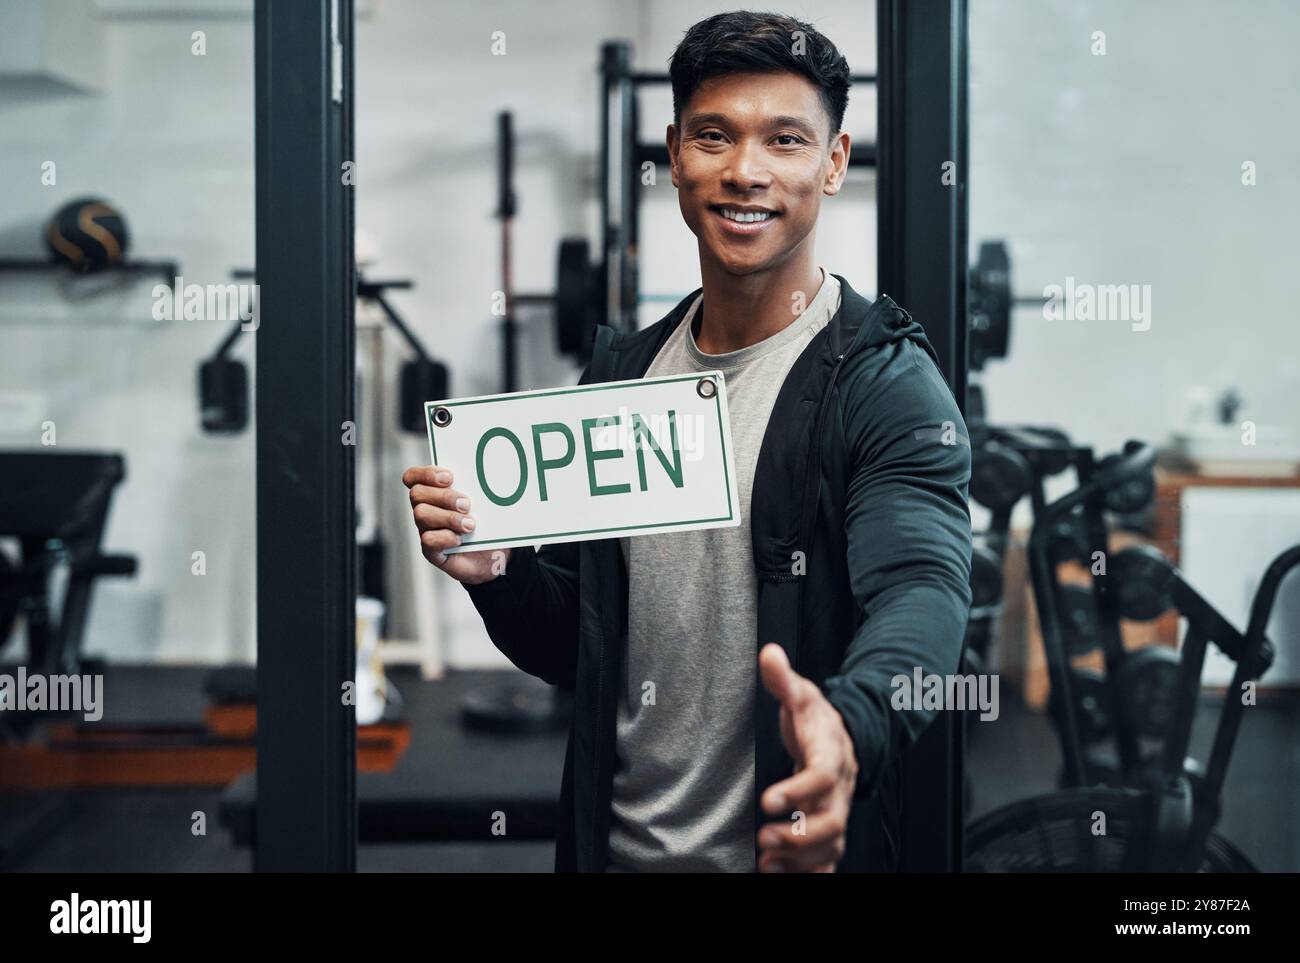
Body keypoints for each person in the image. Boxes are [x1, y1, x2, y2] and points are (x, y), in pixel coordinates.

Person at [403, 10, 972, 873]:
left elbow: (924, 587)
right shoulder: (624, 377)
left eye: (785, 140)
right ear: (674, 154)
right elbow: (581, 646)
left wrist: (849, 720)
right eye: (715, 136)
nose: (745, 171)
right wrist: (503, 573)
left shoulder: (883, 384)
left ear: (834, 162)